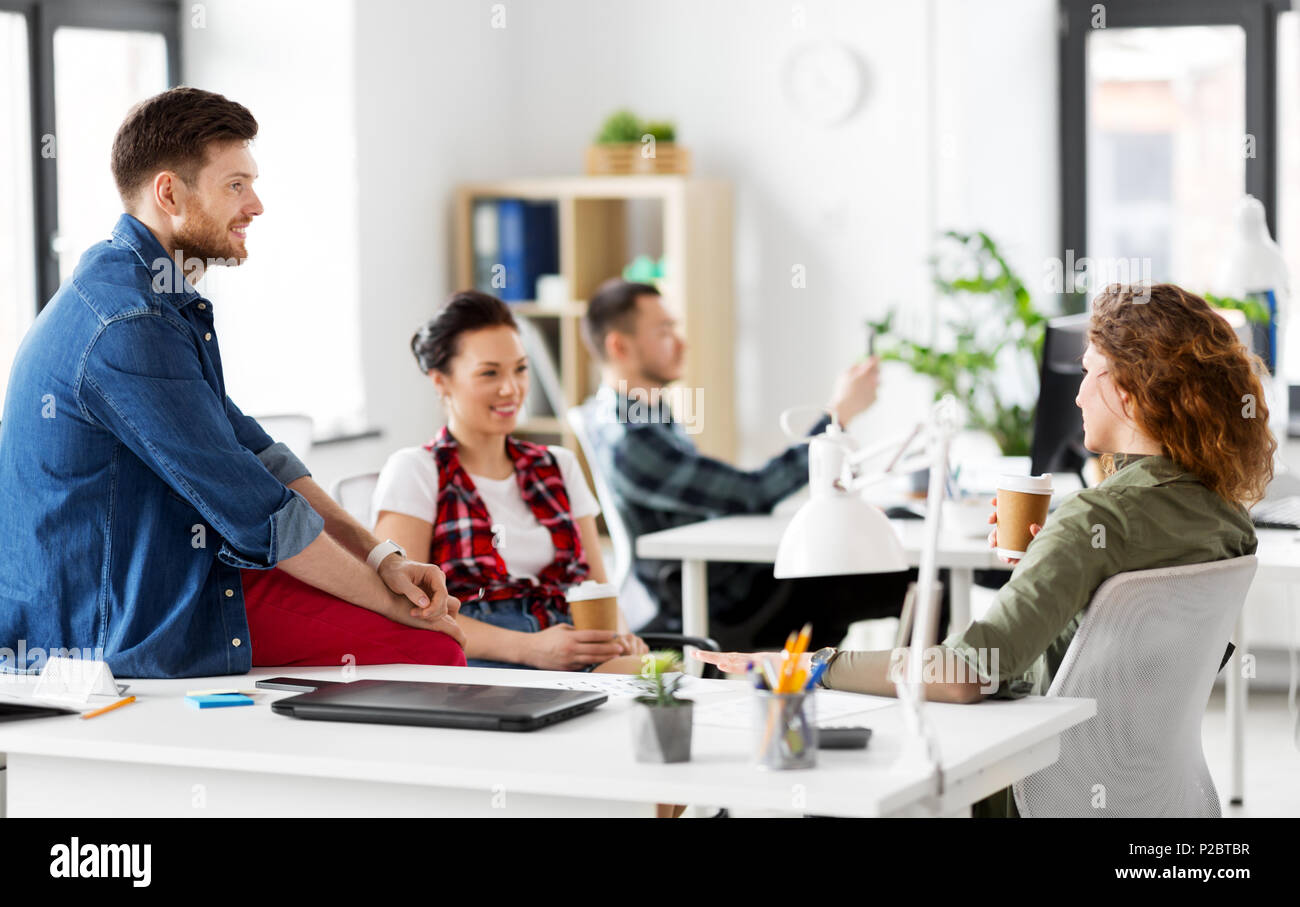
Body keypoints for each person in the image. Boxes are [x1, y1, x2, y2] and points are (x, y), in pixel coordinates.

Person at [697, 282, 1275, 817]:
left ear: (1130, 390)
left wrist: (815, 666)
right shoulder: (1226, 519)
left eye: (1089, 373)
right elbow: (1134, 654)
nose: (1076, 396)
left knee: (825, 780)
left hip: (1034, 789)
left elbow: (966, 674)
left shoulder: (1096, 519)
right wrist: (1052, 569)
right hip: (1146, 794)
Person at [0, 88, 463, 679]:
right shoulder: (128, 324)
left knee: (413, 636)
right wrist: (402, 608)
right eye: (235, 185)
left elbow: (258, 457)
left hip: (176, 573)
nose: (257, 205)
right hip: (115, 620)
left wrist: (382, 557)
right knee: (433, 651)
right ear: (169, 192)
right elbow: (258, 514)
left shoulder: (152, 293)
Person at [579, 278, 946, 651]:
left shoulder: (642, 414)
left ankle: (917, 682)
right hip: (734, 602)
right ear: (619, 346)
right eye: (664, 331)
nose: (681, 342)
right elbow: (753, 492)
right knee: (925, 578)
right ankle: (928, 689)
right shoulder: (629, 438)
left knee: (896, 548)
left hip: (737, 579)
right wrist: (839, 413)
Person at [373, 291, 648, 672]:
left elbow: (599, 587)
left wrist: (620, 636)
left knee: (658, 682)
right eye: (490, 373)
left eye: (520, 369)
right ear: (441, 381)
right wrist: (530, 648)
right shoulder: (417, 470)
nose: (511, 389)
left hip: (574, 652)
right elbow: (405, 606)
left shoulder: (559, 465)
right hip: (483, 662)